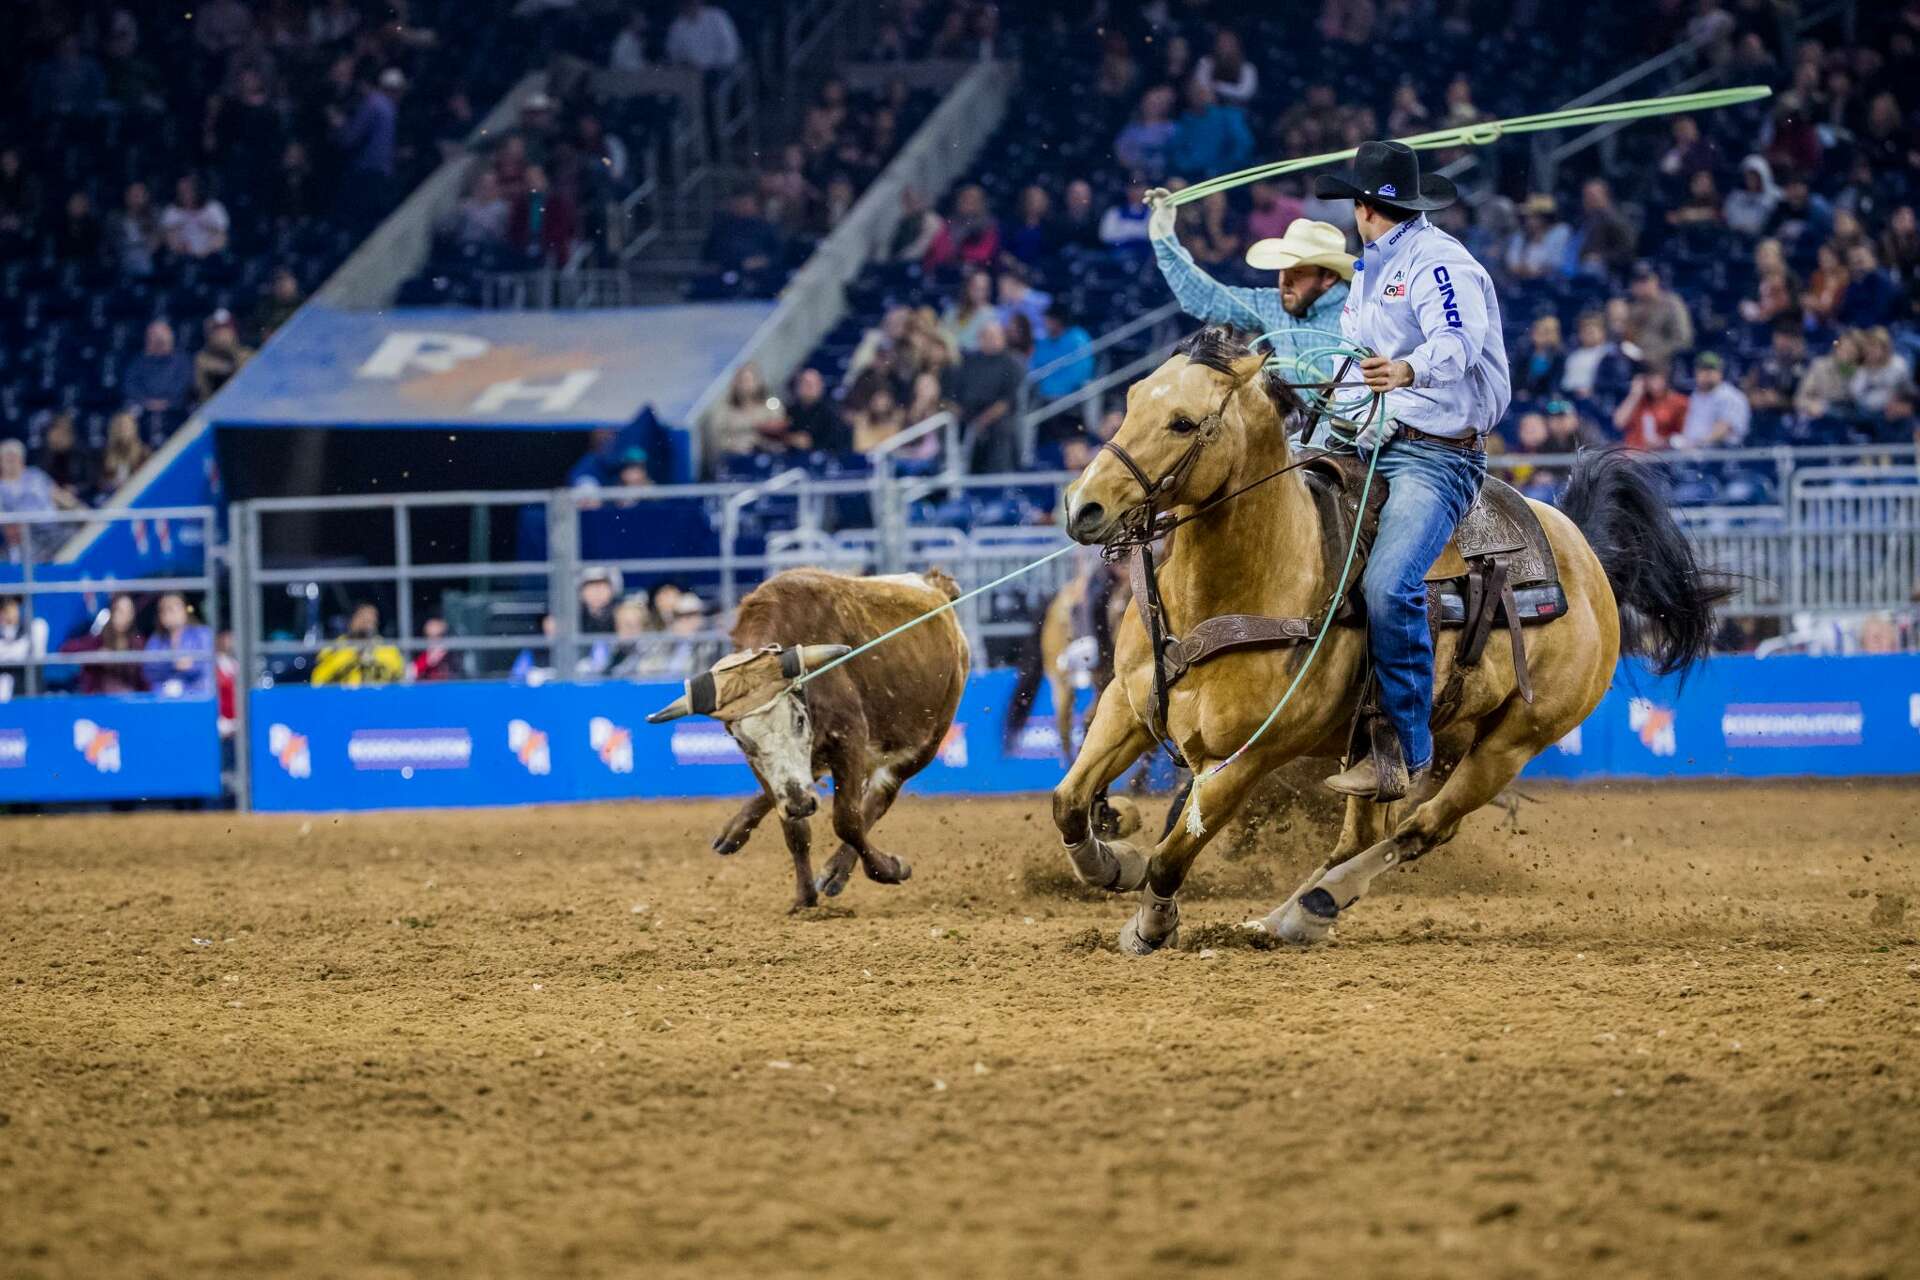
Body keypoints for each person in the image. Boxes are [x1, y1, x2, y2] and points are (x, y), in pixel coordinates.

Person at [1306, 140, 1509, 799]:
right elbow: (1351, 349)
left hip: (1438, 454)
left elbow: (1458, 342)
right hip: (1374, 439)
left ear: (1364, 208)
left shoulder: (1441, 262)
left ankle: (1406, 751)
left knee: (1390, 583)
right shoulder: (1371, 270)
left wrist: (1408, 369)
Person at [1146, 189, 1352, 440]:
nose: (1284, 282)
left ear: (1328, 277)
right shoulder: (1271, 304)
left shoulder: (1357, 312)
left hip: (1351, 432)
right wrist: (1164, 238)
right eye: (1282, 271)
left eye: (1298, 273)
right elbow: (1206, 298)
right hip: (1297, 436)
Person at [948, 321, 1025, 473]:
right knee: (947, 426)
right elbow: (955, 393)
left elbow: (1007, 400)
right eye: (986, 336)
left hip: (997, 417)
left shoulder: (1012, 363)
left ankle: (999, 479)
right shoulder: (969, 362)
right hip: (967, 415)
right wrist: (958, 412)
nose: (990, 340)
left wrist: (981, 421)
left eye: (994, 336)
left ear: (1002, 338)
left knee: (1000, 430)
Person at [1, 438, 81, 563]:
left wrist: (83, 511)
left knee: (79, 538)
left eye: (14, 456)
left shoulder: (36, 475)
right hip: (25, 534)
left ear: (22, 459)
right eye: (7, 457)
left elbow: (61, 497)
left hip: (53, 528)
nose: (11, 461)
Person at [1165, 79, 1252, 181]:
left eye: (1203, 92)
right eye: (1194, 92)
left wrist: (1220, 170)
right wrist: (1190, 169)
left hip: (1224, 177)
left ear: (1212, 94)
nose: (1199, 96)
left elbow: (1243, 146)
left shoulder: (1230, 116)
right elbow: (1176, 152)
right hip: (1190, 176)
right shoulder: (1183, 122)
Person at [62, 594, 148, 695]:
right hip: (100, 699)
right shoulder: (99, 640)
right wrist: (96, 655)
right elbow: (66, 649)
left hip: (129, 700)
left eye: (129, 612)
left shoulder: (137, 643)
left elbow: (143, 680)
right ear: (112, 612)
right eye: (120, 611)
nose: (124, 617)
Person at [310, 602, 405, 686]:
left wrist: (373, 661)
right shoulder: (333, 648)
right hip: (343, 699)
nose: (366, 622)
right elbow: (317, 681)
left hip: (378, 699)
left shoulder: (388, 649)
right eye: (362, 617)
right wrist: (352, 658)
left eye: (371, 618)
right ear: (351, 620)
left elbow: (400, 679)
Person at [1625, 262, 1694, 373]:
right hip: (1636, 364)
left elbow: (1683, 340)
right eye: (1637, 282)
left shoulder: (1672, 303)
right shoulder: (1632, 308)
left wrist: (1654, 355)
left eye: (1645, 281)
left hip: (1665, 364)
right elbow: (1628, 341)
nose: (1641, 286)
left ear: (1655, 280)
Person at [143, 592, 215, 697]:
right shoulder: (156, 639)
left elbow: (207, 666)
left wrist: (192, 664)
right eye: (164, 610)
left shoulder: (202, 633)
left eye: (173, 608)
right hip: (163, 697)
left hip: (196, 695)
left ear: (184, 610)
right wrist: (171, 663)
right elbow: (148, 670)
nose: (169, 614)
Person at [1678, 353, 1752, 447]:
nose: (1706, 374)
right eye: (1702, 370)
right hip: (1696, 453)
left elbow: (1723, 430)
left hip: (1723, 453)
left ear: (1720, 372)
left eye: (1711, 370)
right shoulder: (1696, 396)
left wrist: (1696, 445)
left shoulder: (1730, 395)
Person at [1612, 364, 1689, 450]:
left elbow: (1684, 435)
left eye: (1658, 378)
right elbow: (1619, 422)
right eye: (1651, 379)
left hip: (1661, 456)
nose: (1655, 384)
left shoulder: (1679, 402)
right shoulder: (1639, 401)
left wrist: (1665, 442)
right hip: (1634, 455)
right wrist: (1635, 394)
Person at [1030, 303, 1095, 403]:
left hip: (1070, 394)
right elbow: (1035, 366)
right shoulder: (1044, 342)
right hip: (1043, 395)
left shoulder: (1077, 338)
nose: (1046, 323)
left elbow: (1080, 372)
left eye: (1049, 320)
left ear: (1058, 320)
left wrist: (1053, 390)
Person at [160, 174, 229, 259]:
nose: (185, 194)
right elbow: (170, 238)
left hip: (211, 256)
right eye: (182, 191)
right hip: (182, 257)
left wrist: (205, 252)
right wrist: (180, 248)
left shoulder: (214, 208)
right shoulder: (171, 211)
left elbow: (222, 237)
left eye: (189, 190)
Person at [784, 368, 851, 453]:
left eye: (813, 384)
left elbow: (836, 442)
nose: (809, 387)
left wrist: (811, 443)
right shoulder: (790, 410)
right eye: (805, 383)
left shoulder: (832, 411)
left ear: (821, 386)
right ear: (797, 386)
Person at [193, 309, 255, 402]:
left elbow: (246, 385)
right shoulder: (202, 358)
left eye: (225, 329)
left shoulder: (247, 354)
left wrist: (230, 353)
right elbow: (202, 394)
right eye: (216, 330)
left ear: (234, 332)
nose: (221, 334)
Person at [1504, 194, 1569, 280]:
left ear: (1544, 218)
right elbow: (1512, 261)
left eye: (1532, 216)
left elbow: (1556, 262)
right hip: (1522, 282)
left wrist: (1537, 271)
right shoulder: (1521, 235)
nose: (1528, 220)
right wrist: (1523, 270)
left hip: (1550, 283)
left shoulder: (1561, 231)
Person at [0, 595, 50, 701]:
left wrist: (10, 651)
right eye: (3, 606)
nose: (9, 610)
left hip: (28, 696)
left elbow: (37, 654)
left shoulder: (37, 626)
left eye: (13, 605)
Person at [410, 615, 457, 681]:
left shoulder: (453, 654)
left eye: (438, 636)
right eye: (430, 636)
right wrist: (427, 661)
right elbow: (409, 674)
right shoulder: (422, 655)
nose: (434, 640)